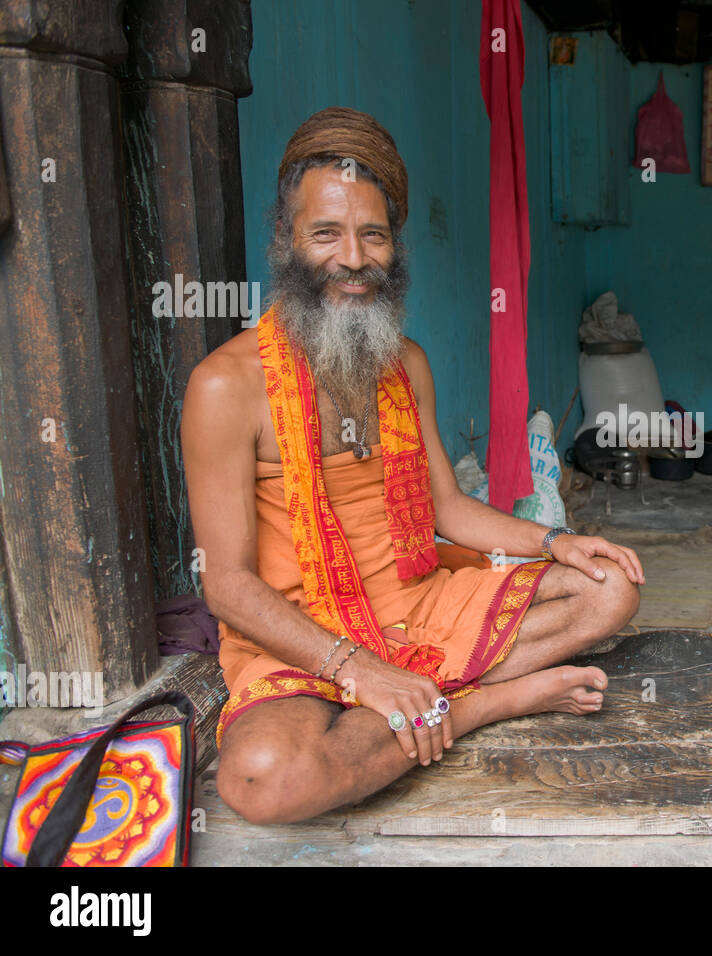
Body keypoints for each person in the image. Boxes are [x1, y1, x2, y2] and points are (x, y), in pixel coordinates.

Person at [181, 107, 643, 824]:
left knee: (609, 586)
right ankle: (484, 702)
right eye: (326, 234)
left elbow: (447, 511)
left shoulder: (407, 363)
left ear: (394, 246)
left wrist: (557, 542)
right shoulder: (223, 386)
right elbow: (229, 585)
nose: (354, 259)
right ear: (286, 241)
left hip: (420, 606)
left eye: (373, 235)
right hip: (304, 638)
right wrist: (356, 670)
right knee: (262, 784)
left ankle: (415, 703)